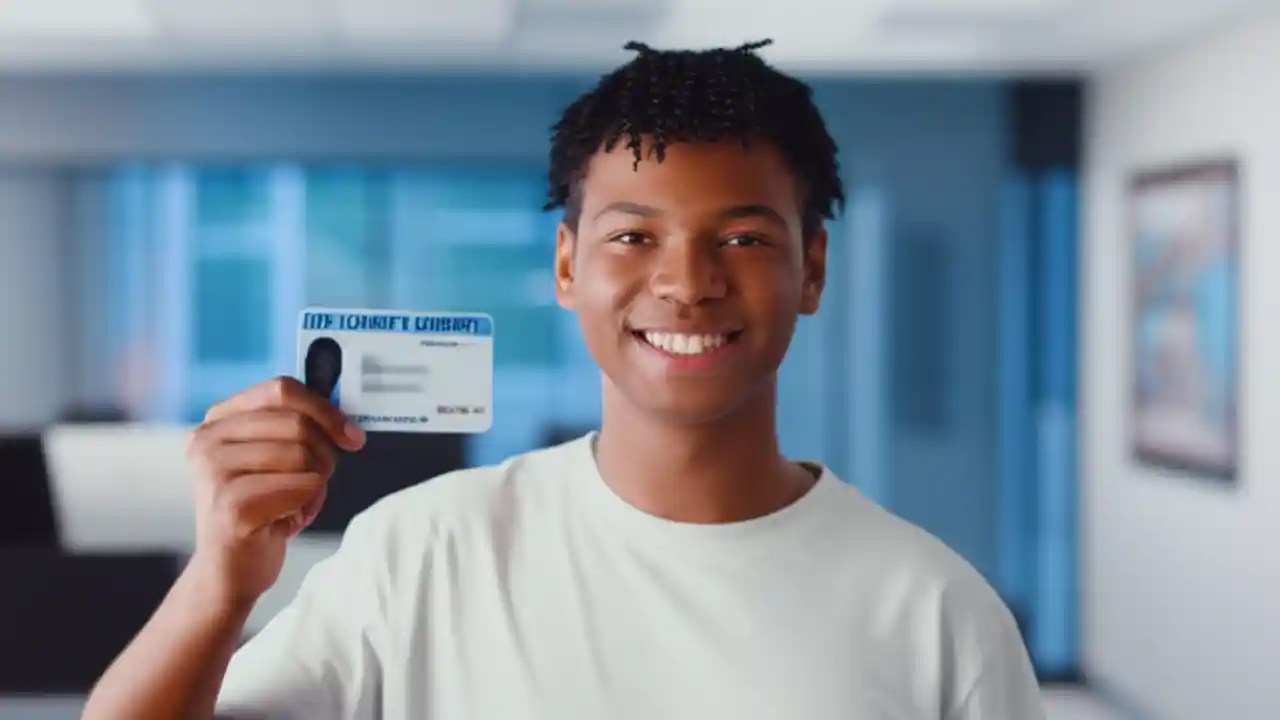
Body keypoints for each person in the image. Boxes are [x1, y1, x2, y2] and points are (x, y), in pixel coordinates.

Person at [83, 40, 1044, 720]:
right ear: (567, 267)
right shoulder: (421, 554)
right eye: (634, 236)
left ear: (816, 270)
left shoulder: (938, 613)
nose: (687, 282)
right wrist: (218, 586)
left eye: (745, 239)